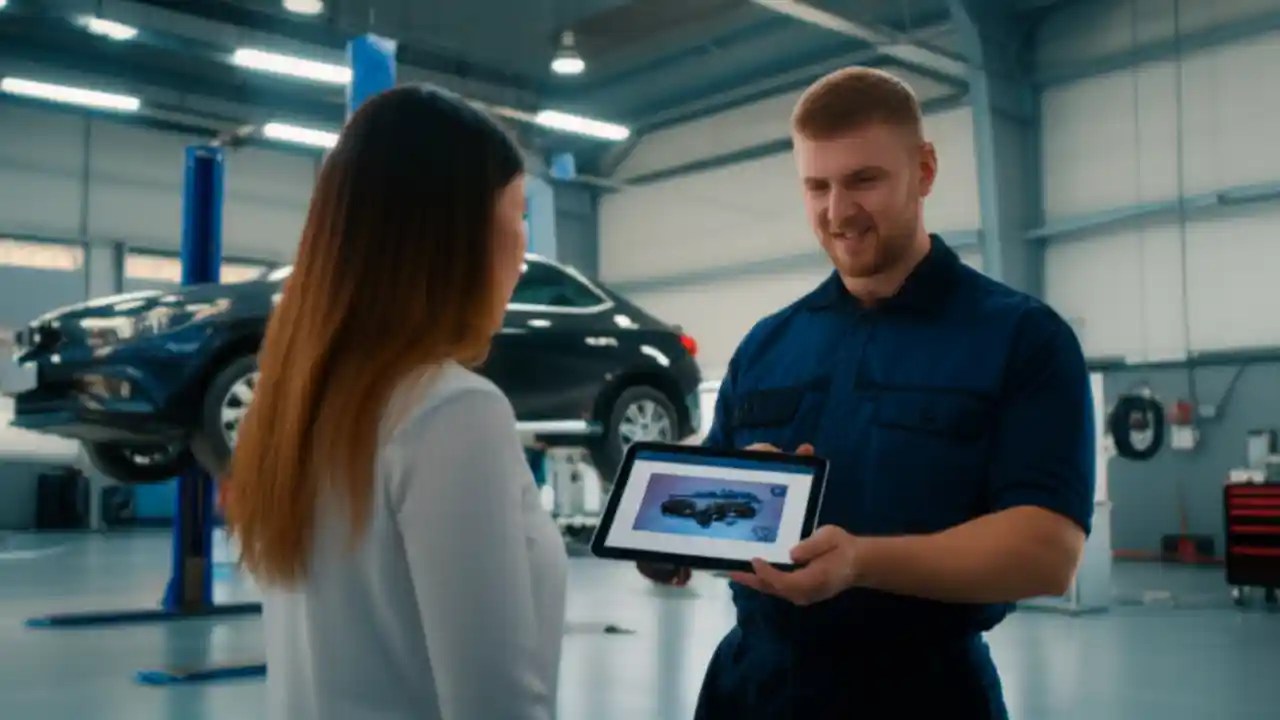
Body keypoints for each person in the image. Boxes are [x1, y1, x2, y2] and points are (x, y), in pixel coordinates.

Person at [643, 67, 1095, 718]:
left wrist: (860, 562)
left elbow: (1047, 552)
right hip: (751, 692)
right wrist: (675, 535)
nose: (837, 211)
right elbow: (695, 523)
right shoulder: (768, 345)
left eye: (863, 180)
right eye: (817, 186)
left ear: (925, 170)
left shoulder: (1022, 339)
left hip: (922, 697)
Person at [222, 85, 567, 720]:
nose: (523, 256)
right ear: (452, 237)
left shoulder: (285, 412)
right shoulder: (453, 412)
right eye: (518, 214)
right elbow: (496, 704)